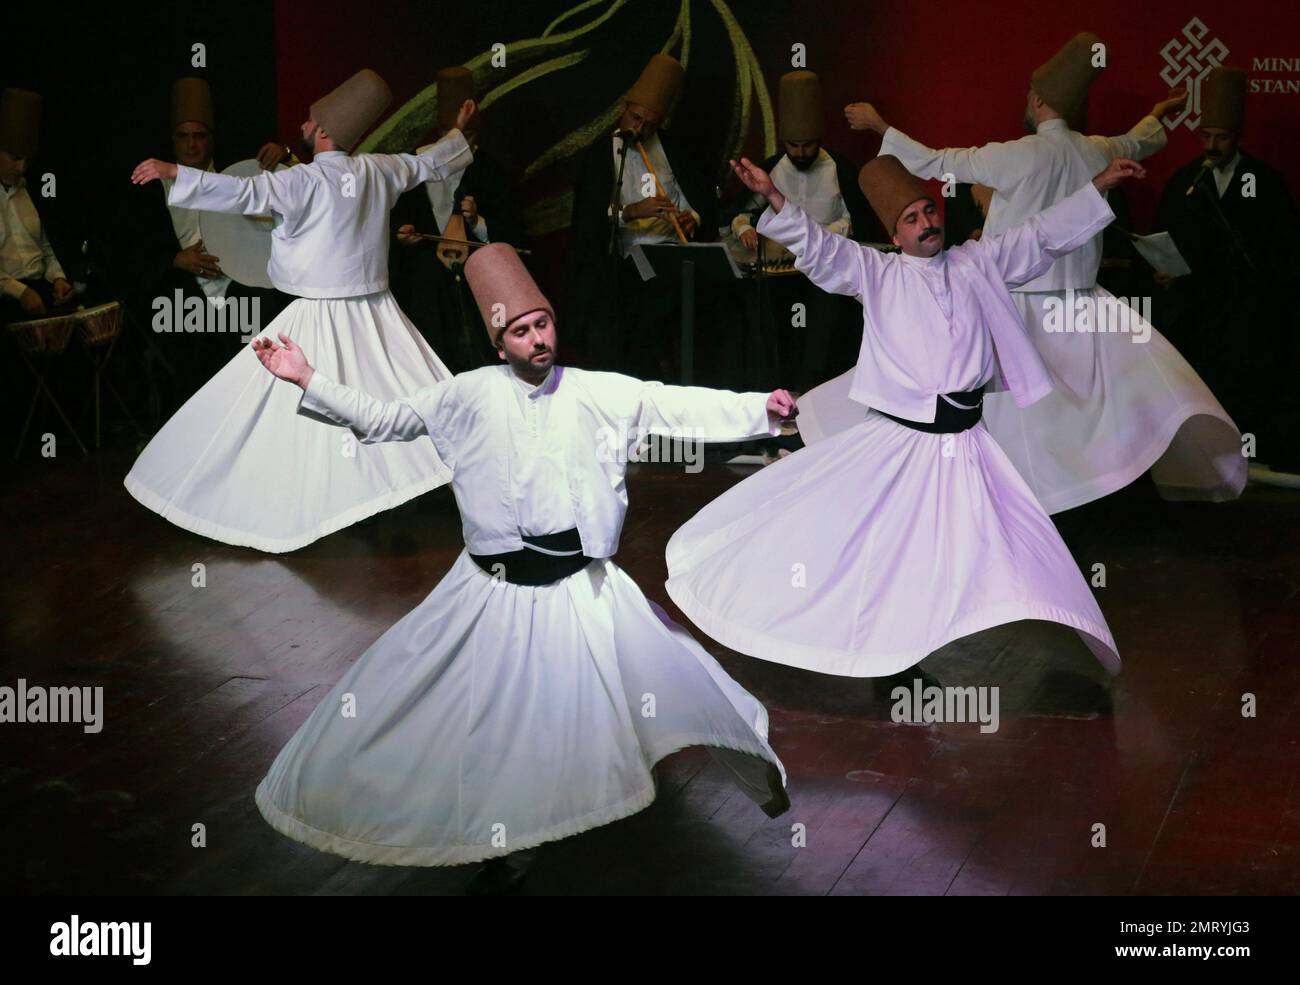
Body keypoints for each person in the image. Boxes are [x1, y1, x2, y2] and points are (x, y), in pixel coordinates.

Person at [250, 242, 791, 891]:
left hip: (577, 588)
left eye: (543, 323)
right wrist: (309, 378)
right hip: (494, 593)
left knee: (657, 680)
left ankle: (596, 792)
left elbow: (673, 404)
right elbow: (388, 419)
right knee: (487, 716)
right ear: (498, 339)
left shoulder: (596, 392)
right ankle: (509, 844)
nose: (537, 338)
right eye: (520, 329)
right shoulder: (469, 394)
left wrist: (762, 408)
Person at [664, 153, 1141, 681]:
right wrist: (776, 201)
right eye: (911, 219)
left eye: (929, 212)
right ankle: (886, 654)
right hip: (905, 441)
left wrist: (1099, 185)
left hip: (967, 440)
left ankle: (1029, 615)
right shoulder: (877, 273)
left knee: (1012, 533)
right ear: (895, 236)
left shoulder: (977, 263)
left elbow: (1043, 235)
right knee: (888, 549)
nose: (927, 223)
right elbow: (823, 250)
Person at [832, 32, 1245, 512]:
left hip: (1017, 303)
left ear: (1038, 100)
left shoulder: (1017, 154)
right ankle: (1080, 494)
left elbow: (936, 160)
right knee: (1096, 410)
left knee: (1020, 417)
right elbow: (1141, 140)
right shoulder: (1098, 150)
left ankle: (1007, 501)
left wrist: (879, 125)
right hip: (1082, 307)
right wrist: (1158, 115)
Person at [124, 69, 475, 553]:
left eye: (311, 120)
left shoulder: (302, 181)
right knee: (389, 396)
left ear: (326, 131)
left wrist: (174, 174)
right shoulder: (380, 169)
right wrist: (458, 132)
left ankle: (329, 502)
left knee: (292, 411)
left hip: (323, 315)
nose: (304, 126)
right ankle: (369, 499)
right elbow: (428, 164)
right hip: (375, 313)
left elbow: (244, 193)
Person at [1155, 66, 1300, 474]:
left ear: (1237, 138)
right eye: (1206, 137)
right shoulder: (1185, 180)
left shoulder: (1264, 182)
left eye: (1222, 138)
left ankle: (1245, 459)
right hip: (1195, 312)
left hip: (1244, 312)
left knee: (1244, 383)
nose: (1213, 146)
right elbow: (1166, 235)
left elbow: (1278, 250)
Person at [117, 77, 298, 403]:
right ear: (172, 140)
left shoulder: (237, 177)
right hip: (182, 295)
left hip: (240, 290)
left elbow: (301, 187)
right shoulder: (151, 190)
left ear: (211, 140)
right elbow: (131, 253)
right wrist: (175, 259)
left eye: (199, 136)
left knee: (267, 318)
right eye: (182, 137)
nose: (191, 145)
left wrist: (285, 153)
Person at [565, 54, 718, 379]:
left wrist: (694, 217)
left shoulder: (677, 150)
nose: (640, 128)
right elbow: (586, 223)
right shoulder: (598, 157)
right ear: (624, 108)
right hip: (621, 267)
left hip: (673, 260)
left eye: (650, 123)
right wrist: (630, 212)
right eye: (635, 118)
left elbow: (703, 200)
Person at [730, 70, 872, 393]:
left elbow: (855, 222)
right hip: (779, 278)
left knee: (822, 336)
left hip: (828, 277)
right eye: (794, 146)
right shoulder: (770, 170)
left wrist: (823, 236)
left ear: (819, 139)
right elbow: (739, 215)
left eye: (808, 145)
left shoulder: (841, 170)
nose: (801, 153)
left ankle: (816, 399)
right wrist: (744, 230)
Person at [390, 66, 525, 373]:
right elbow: (394, 228)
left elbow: (513, 236)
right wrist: (402, 237)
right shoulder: (413, 170)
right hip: (427, 297)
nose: (460, 147)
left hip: (477, 296)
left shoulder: (491, 172)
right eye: (452, 138)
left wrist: (478, 222)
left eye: (468, 137)